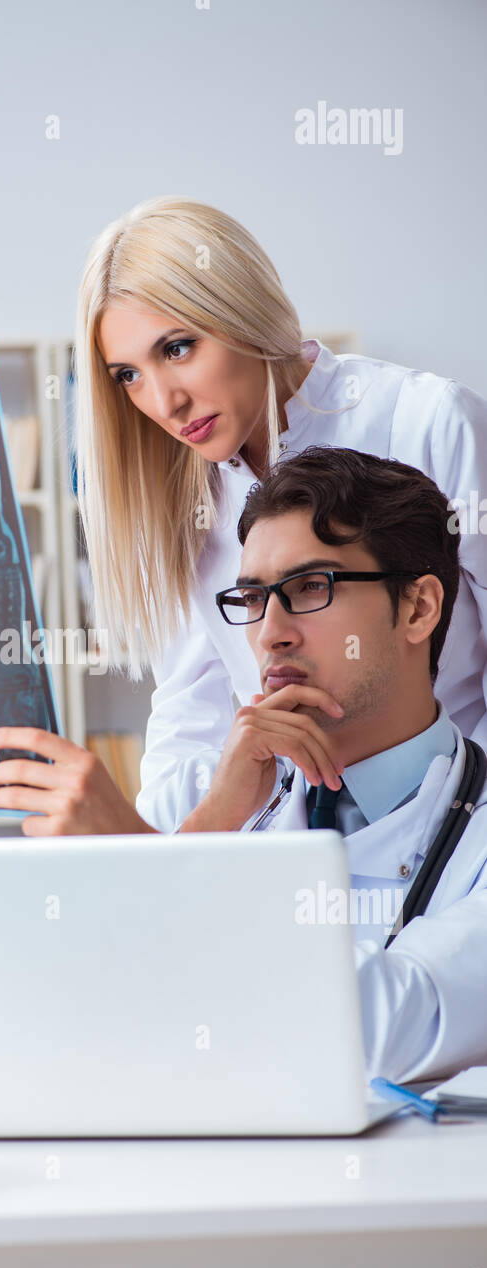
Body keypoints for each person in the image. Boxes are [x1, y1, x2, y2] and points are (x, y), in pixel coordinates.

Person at [0, 448, 487, 1082]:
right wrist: (210, 825)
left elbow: (381, 1029)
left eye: (310, 588)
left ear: (417, 609)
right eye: (252, 597)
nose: (270, 633)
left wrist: (132, 855)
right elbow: (62, 1015)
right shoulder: (203, 798)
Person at [70, 196, 487, 834]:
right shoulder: (185, 503)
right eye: (128, 375)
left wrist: (469, 839)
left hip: (456, 828)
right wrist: (151, 865)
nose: (163, 401)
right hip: (294, 837)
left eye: (178, 348)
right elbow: (190, 716)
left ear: (241, 309)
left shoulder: (429, 421)